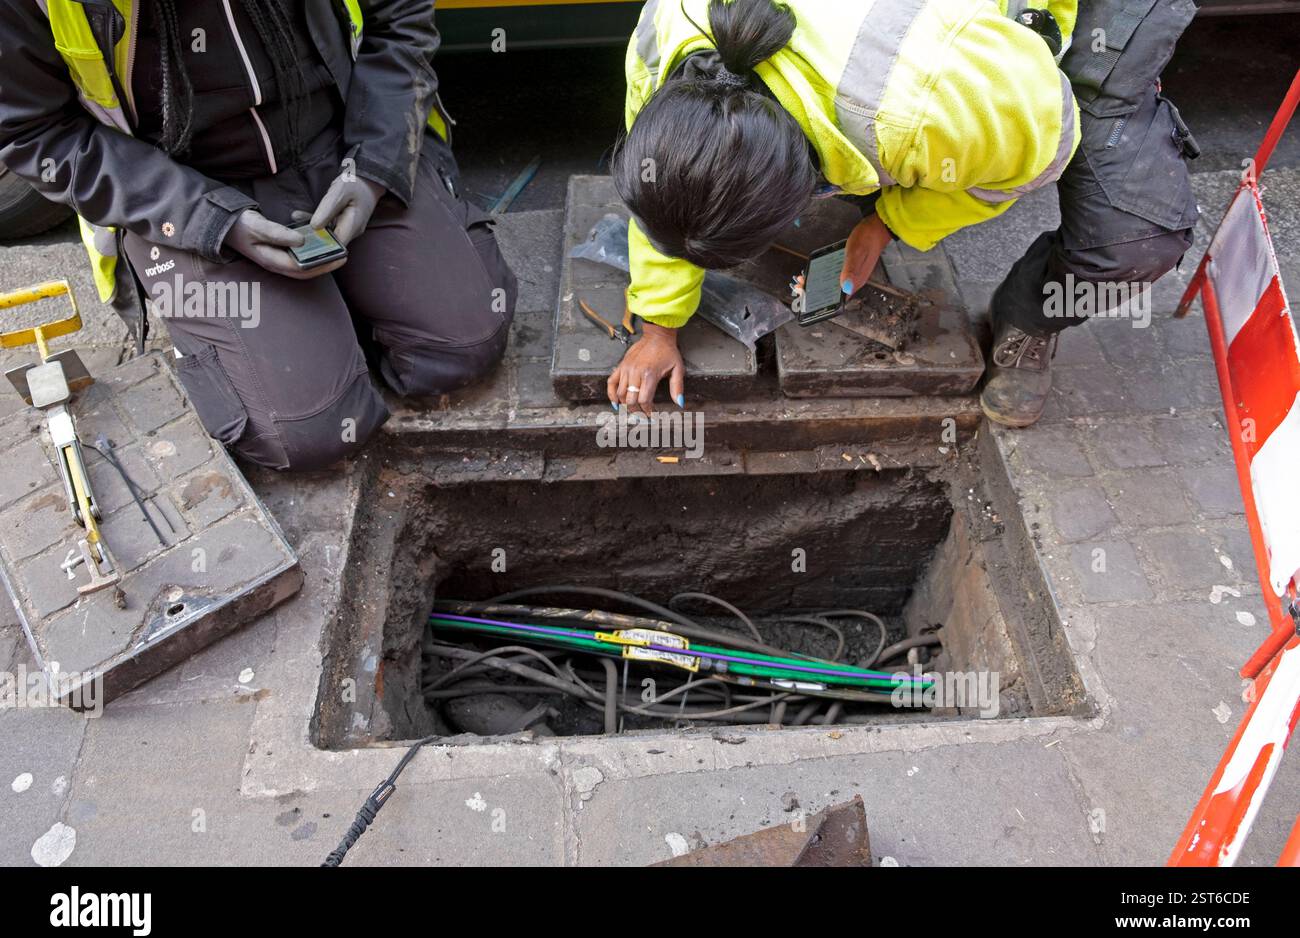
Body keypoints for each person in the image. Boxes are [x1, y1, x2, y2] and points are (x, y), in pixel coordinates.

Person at [610, 0, 1200, 426]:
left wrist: (892, 222)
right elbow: (678, 197)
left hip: (1034, 48)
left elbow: (1035, 161)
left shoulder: (935, 109)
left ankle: (1027, 317)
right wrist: (658, 327)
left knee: (1130, 243)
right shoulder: (670, 34)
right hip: (910, 63)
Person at [0, 0, 517, 470]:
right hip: (187, 185)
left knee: (463, 348)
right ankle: (292, 329)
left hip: (341, 146)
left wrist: (377, 164)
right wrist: (211, 221)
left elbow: (400, 18)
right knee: (307, 429)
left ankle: (332, 313)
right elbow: (35, 133)